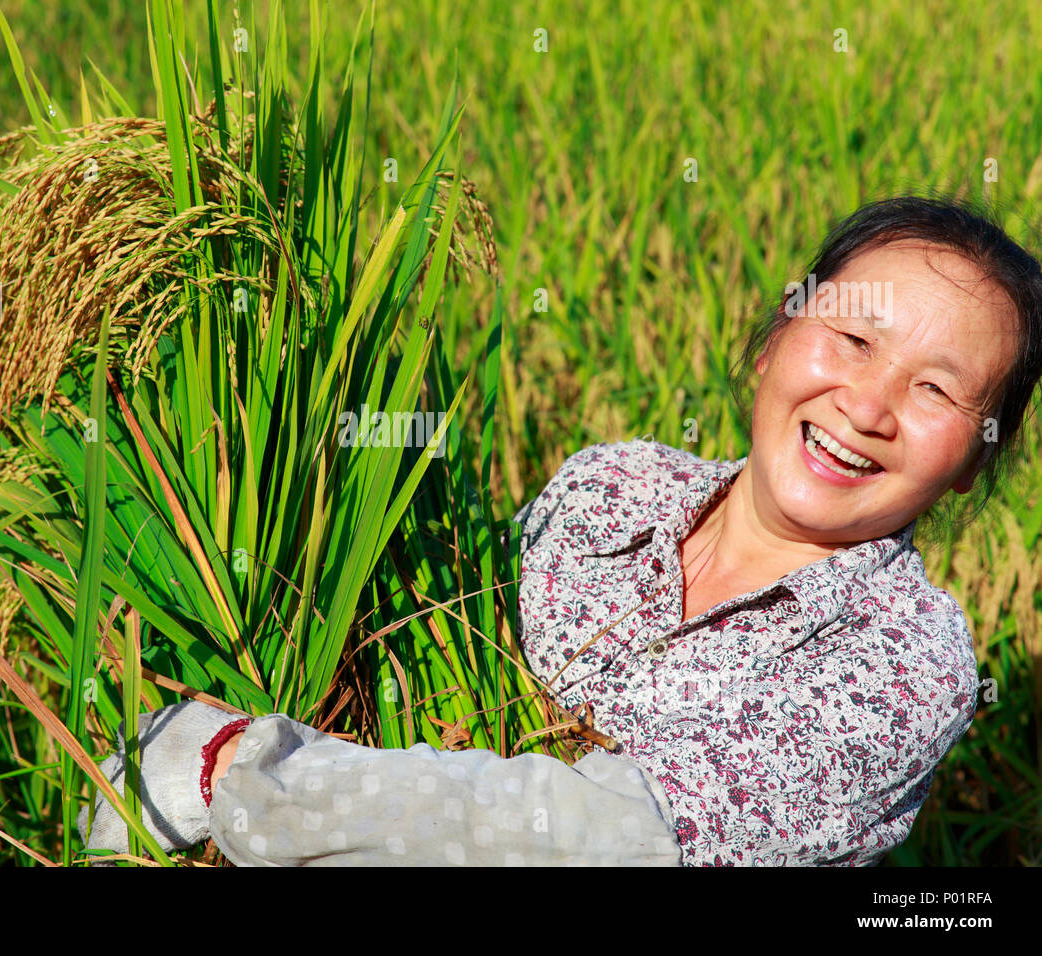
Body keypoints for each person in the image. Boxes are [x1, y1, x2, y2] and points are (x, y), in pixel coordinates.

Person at [77, 194, 1042, 865]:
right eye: (854, 338)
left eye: (935, 390)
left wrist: (238, 773)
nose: (868, 404)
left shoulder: (907, 660)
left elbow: (600, 839)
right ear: (774, 338)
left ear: (972, 462)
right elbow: (424, 649)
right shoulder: (612, 487)